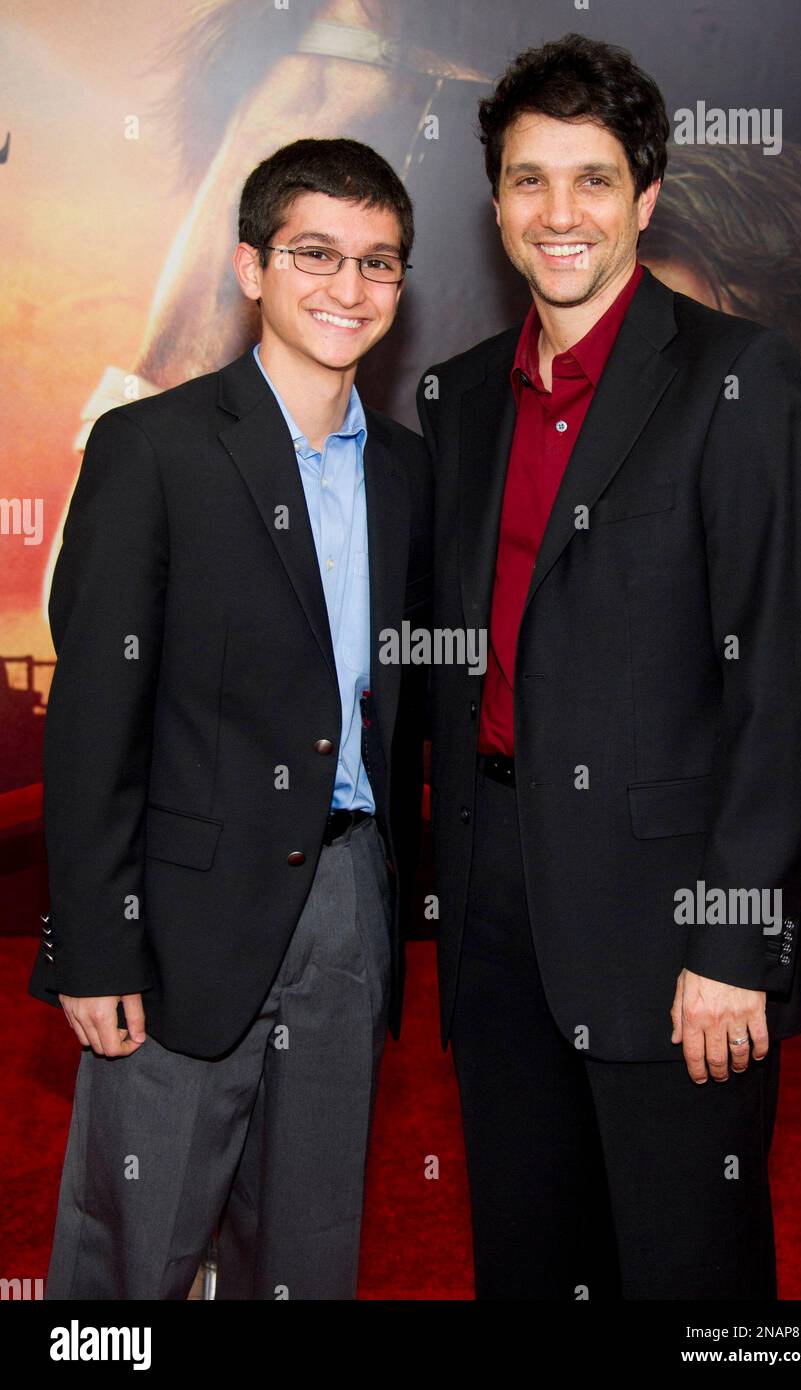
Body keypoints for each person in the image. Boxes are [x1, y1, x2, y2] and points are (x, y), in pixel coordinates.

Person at [416, 33, 801, 1300]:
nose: (559, 213)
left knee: (687, 1274)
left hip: (674, 929)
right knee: (528, 1262)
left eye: (591, 180)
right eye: (528, 180)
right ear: (493, 202)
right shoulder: (455, 400)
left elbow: (784, 680)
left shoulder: (734, 375)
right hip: (491, 905)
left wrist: (732, 939)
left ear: (643, 200)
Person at [29, 137, 432, 1300]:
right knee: (130, 1260)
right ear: (251, 265)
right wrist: (91, 942)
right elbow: (95, 716)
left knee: (307, 1257)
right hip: (177, 916)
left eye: (377, 263)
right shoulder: (151, 447)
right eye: (315, 253)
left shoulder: (408, 474)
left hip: (349, 907)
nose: (346, 288)